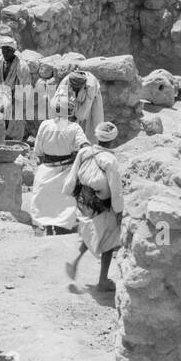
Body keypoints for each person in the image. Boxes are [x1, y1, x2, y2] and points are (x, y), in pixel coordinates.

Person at [65, 121, 125, 292]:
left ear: (97, 137)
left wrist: (71, 194)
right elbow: (116, 188)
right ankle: (103, 281)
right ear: (113, 141)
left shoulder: (84, 152)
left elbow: (73, 175)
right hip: (101, 204)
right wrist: (119, 211)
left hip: (84, 200)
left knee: (90, 229)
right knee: (110, 239)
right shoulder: (110, 160)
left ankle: (75, 260)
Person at [29, 95, 89, 234]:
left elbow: (38, 151)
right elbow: (84, 145)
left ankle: (45, 227)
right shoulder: (75, 127)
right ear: (71, 111)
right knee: (69, 198)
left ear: (56, 110)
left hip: (46, 169)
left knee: (41, 198)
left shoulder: (45, 124)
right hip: (66, 169)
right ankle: (64, 226)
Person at [0, 35, 33, 141]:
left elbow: (26, 87)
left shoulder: (22, 67)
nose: (4, 54)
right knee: (2, 124)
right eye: (3, 51)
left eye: (7, 51)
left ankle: (15, 145)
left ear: (13, 50)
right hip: (2, 99)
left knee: (15, 126)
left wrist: (14, 98)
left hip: (16, 101)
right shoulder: (2, 63)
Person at [55, 67, 105, 142]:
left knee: (91, 128)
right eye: (73, 87)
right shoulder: (66, 81)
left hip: (92, 104)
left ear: (82, 85)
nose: (74, 89)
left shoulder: (91, 86)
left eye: (77, 88)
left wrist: (73, 118)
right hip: (74, 103)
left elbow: (83, 112)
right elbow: (58, 100)